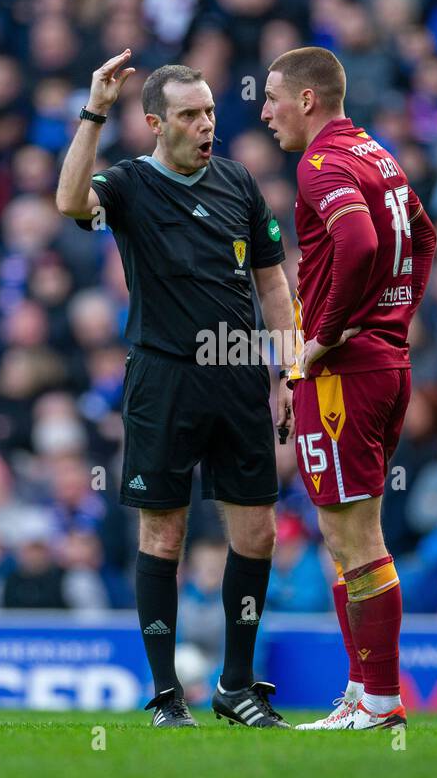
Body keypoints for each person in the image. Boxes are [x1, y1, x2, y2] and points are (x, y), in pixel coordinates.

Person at [56, 50, 296, 728]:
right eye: (190, 115)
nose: (206, 124)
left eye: (210, 112)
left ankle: (236, 685)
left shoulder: (239, 181)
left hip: (241, 375)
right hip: (163, 378)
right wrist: (94, 110)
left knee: (258, 532)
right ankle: (166, 694)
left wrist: (290, 370)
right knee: (163, 534)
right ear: (156, 123)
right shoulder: (129, 183)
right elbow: (70, 202)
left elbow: (273, 284)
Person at [261, 46, 437, 729]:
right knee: (348, 539)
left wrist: (325, 336)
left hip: (345, 374)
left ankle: (382, 699)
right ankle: (362, 694)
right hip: (383, 362)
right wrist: (398, 317)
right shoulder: (376, 153)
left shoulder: (320, 164)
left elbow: (359, 243)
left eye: (273, 97)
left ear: (307, 100)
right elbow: (424, 235)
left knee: (354, 538)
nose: (265, 111)